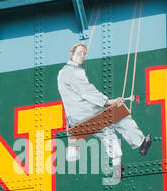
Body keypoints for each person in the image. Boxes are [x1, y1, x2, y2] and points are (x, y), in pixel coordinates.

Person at [56, 41, 151, 178]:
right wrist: (107, 101)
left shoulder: (62, 73)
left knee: (106, 132)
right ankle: (141, 142)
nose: (81, 56)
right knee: (120, 113)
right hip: (87, 114)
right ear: (71, 54)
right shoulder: (73, 72)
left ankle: (117, 166)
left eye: (83, 54)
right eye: (78, 53)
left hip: (75, 121)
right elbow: (87, 91)